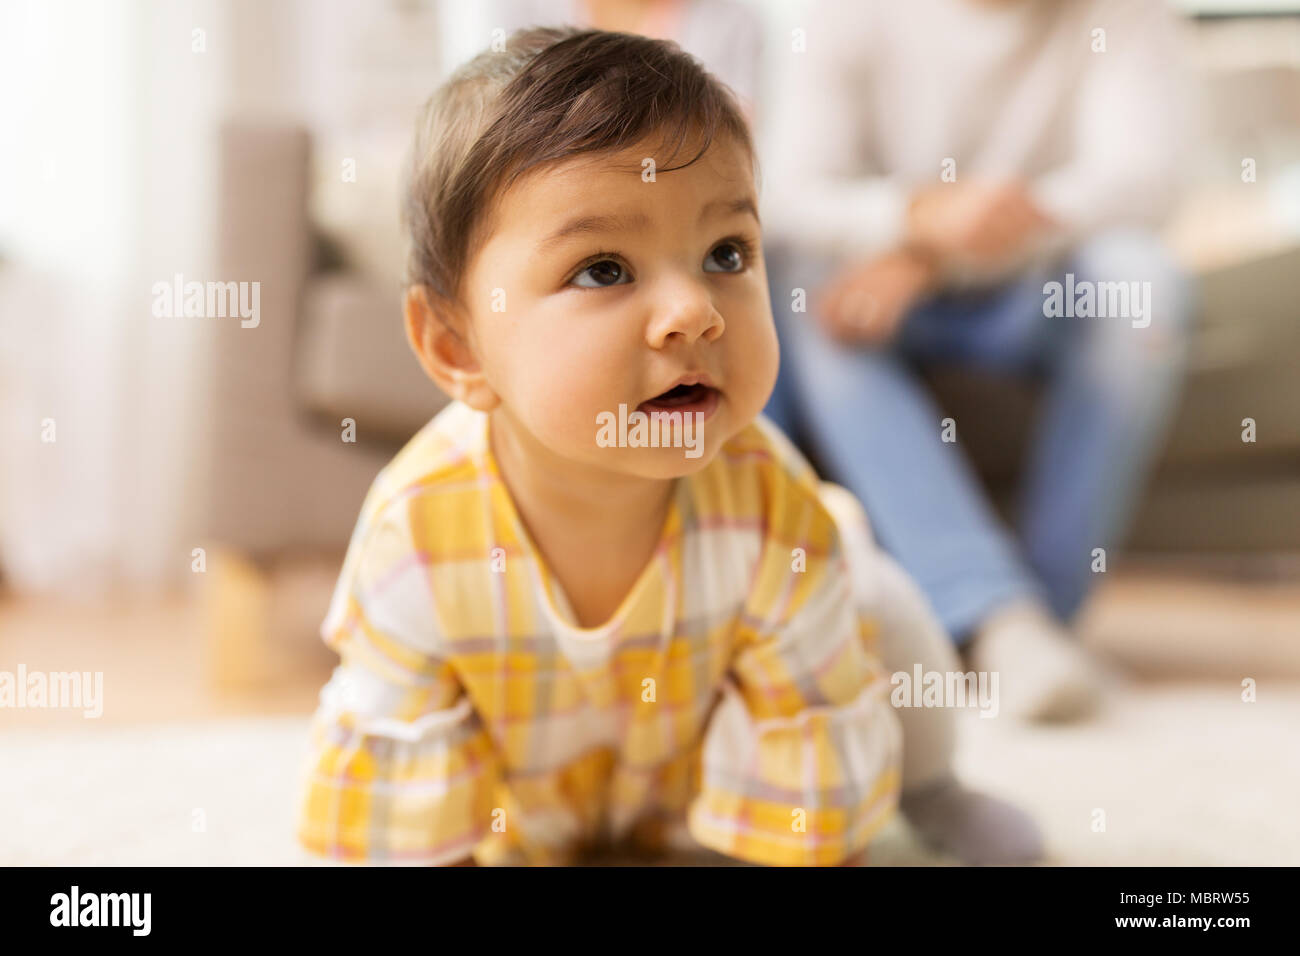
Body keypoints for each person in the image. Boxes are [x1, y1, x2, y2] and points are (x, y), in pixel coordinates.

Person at [295, 26, 1040, 866]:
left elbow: (806, 780)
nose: (696, 310)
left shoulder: (773, 516)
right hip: (531, 816)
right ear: (457, 349)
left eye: (727, 253)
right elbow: (400, 804)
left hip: (707, 797)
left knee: (879, 602)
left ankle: (933, 788)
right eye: (604, 269)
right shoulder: (416, 540)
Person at [762, 0, 1197, 723]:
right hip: (880, 290)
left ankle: (1045, 619)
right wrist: (909, 223)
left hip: (1035, 282)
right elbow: (787, 194)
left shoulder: (1125, 13)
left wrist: (937, 254)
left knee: (1141, 279)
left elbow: (1143, 181)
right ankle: (999, 619)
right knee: (804, 281)